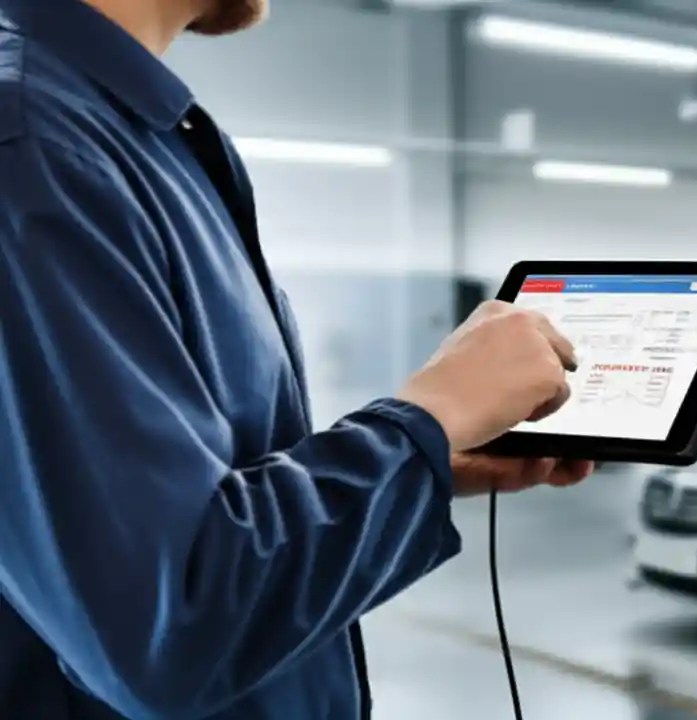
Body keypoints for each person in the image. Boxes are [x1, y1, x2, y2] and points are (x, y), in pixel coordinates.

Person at [0, 0, 594, 718]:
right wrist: (427, 418)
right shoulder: (37, 145)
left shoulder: (134, 132)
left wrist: (413, 471)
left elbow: (203, 502)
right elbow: (167, 629)